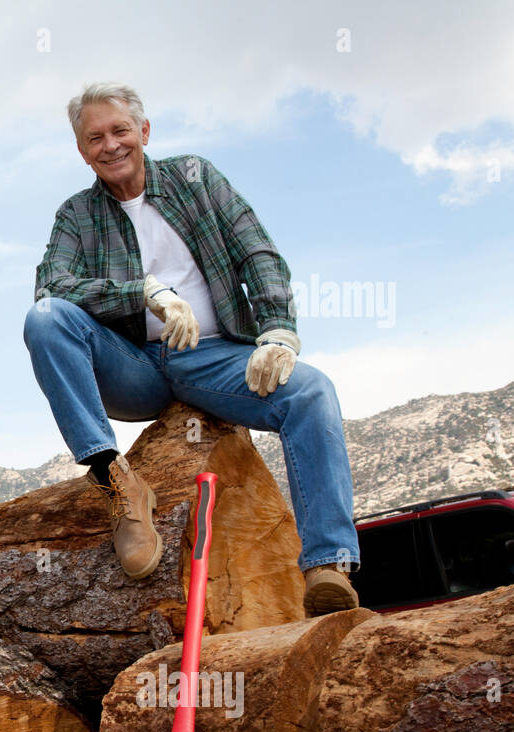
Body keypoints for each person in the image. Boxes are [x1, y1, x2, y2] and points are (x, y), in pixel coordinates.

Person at [23, 82, 360, 615]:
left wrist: (277, 330)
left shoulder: (196, 179)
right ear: (82, 150)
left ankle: (327, 563)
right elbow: (51, 286)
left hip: (214, 358)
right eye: (94, 138)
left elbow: (258, 251)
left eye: (120, 131)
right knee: (44, 319)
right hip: (131, 367)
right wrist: (143, 292)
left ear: (144, 131)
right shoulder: (77, 215)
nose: (110, 146)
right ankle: (119, 486)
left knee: (313, 391)